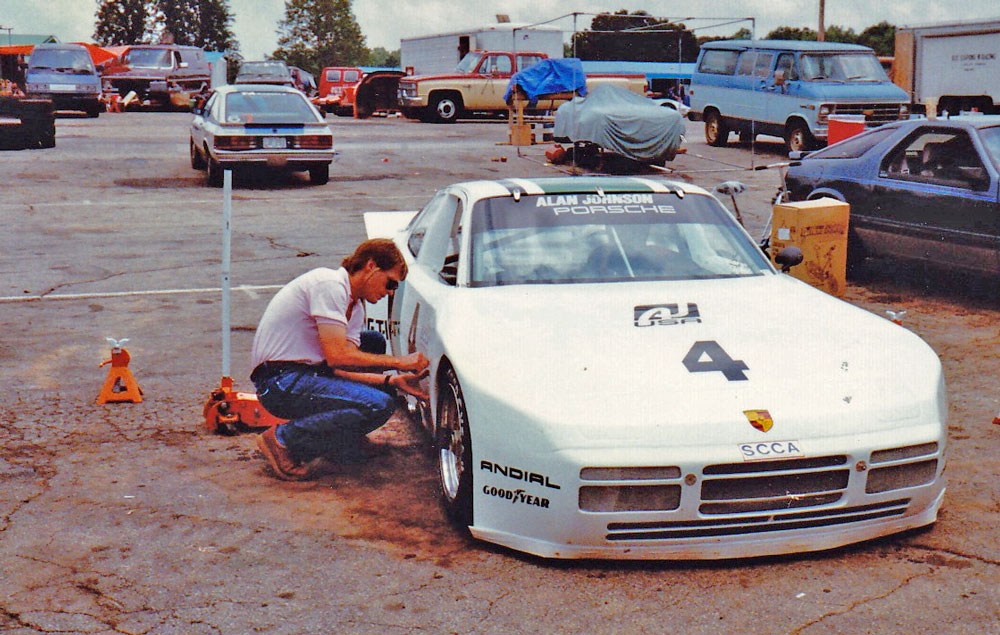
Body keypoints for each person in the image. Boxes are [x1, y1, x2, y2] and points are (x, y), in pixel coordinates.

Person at [250, 238, 429, 480]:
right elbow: (337, 358)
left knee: (373, 346)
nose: (389, 293)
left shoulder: (355, 308)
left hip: (305, 373)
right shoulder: (330, 285)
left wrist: (391, 382)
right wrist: (399, 362)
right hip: (278, 381)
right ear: (371, 266)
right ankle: (282, 440)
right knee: (377, 405)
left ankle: (345, 442)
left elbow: (342, 369)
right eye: (390, 284)